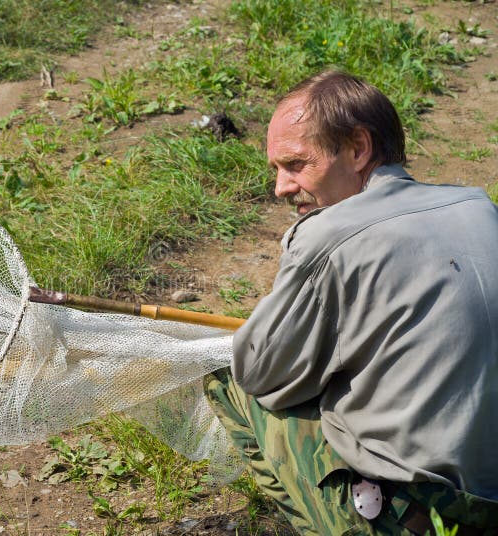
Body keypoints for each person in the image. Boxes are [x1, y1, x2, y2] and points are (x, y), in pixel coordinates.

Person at [203, 70, 498, 535]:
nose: (281, 186)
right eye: (277, 169)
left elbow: (260, 372)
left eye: (296, 164)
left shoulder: (328, 236)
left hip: (427, 500)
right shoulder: (479, 207)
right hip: (491, 490)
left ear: (358, 148)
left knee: (227, 377)